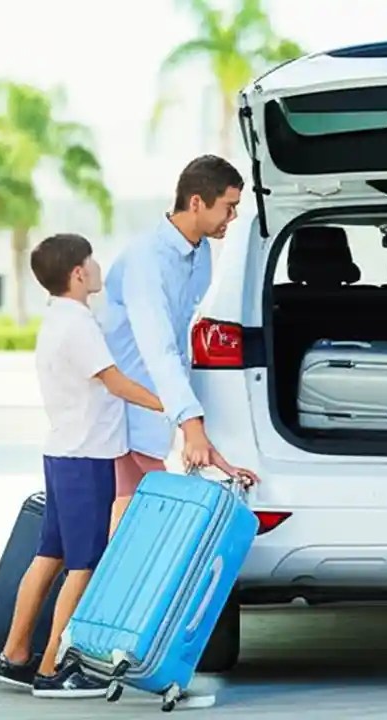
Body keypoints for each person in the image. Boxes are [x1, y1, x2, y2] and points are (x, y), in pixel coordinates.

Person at [0, 233, 167, 698]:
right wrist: (172, 406)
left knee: (51, 554)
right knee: (84, 565)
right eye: (90, 258)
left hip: (62, 453)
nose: (96, 264)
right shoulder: (80, 327)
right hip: (87, 459)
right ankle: (52, 669)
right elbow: (115, 382)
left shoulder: (59, 319)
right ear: (78, 273)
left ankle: (15, 655)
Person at [102, 155, 259, 535]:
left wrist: (200, 428)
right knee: (153, 525)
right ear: (196, 202)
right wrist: (191, 426)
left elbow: (184, 341)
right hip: (125, 408)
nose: (232, 218)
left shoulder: (200, 251)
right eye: (228, 207)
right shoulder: (147, 260)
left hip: (157, 409)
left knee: (130, 522)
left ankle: (119, 592)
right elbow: (160, 349)